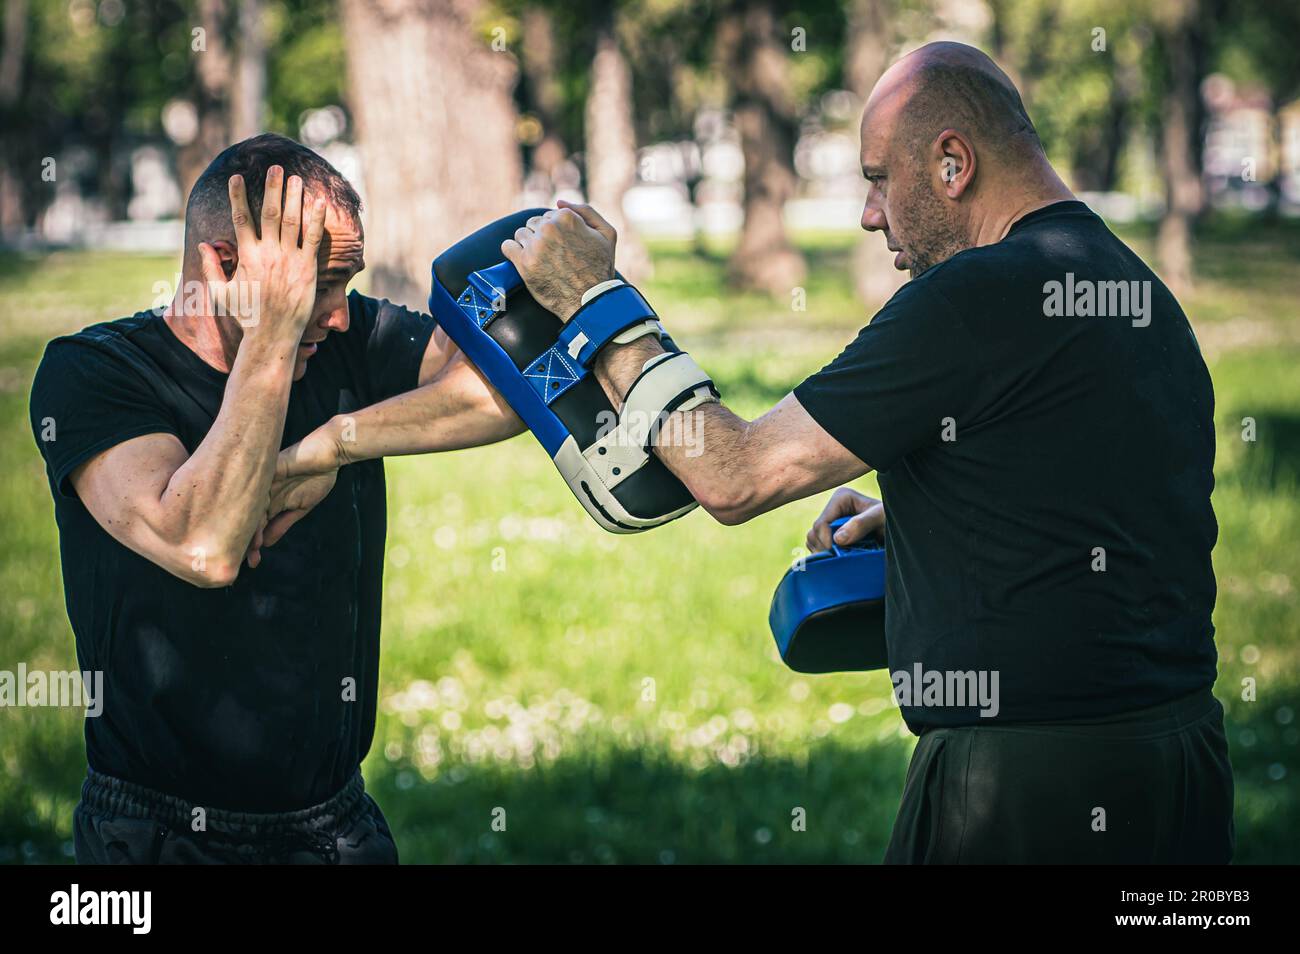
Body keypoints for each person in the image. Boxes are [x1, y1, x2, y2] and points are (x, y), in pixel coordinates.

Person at [493, 41, 1234, 863]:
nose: (869, 214)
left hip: (1028, 785)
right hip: (1183, 765)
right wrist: (919, 507)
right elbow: (1104, 475)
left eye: (880, 178)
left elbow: (733, 474)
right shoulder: (1130, 287)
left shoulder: (970, 298)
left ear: (953, 162)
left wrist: (597, 306)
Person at [29, 134, 524, 863]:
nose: (335, 314)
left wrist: (338, 440)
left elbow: (516, 386)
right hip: (157, 834)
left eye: (343, 284)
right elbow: (203, 543)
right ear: (221, 268)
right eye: (315, 285)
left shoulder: (346, 342)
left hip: (336, 826)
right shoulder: (97, 374)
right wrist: (271, 333)